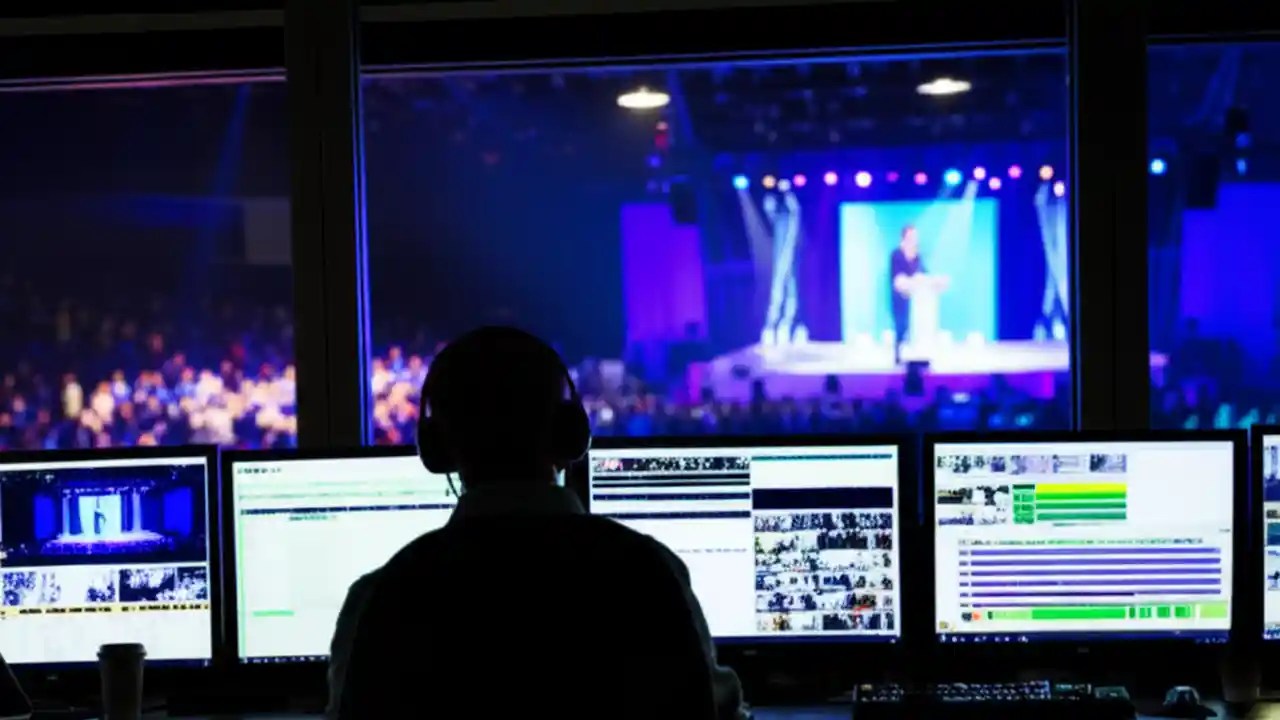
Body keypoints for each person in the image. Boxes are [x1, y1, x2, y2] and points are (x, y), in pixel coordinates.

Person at [329, 326, 746, 719]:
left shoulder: (381, 596)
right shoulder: (651, 571)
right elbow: (714, 709)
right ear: (570, 435)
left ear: (437, 448)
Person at [889, 225, 926, 365]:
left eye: (915, 236)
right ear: (905, 237)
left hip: (917, 300)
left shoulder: (917, 256)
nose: (914, 239)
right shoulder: (896, 254)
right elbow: (897, 277)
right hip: (900, 299)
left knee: (915, 328)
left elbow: (923, 273)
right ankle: (898, 357)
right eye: (911, 236)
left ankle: (917, 357)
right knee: (901, 327)